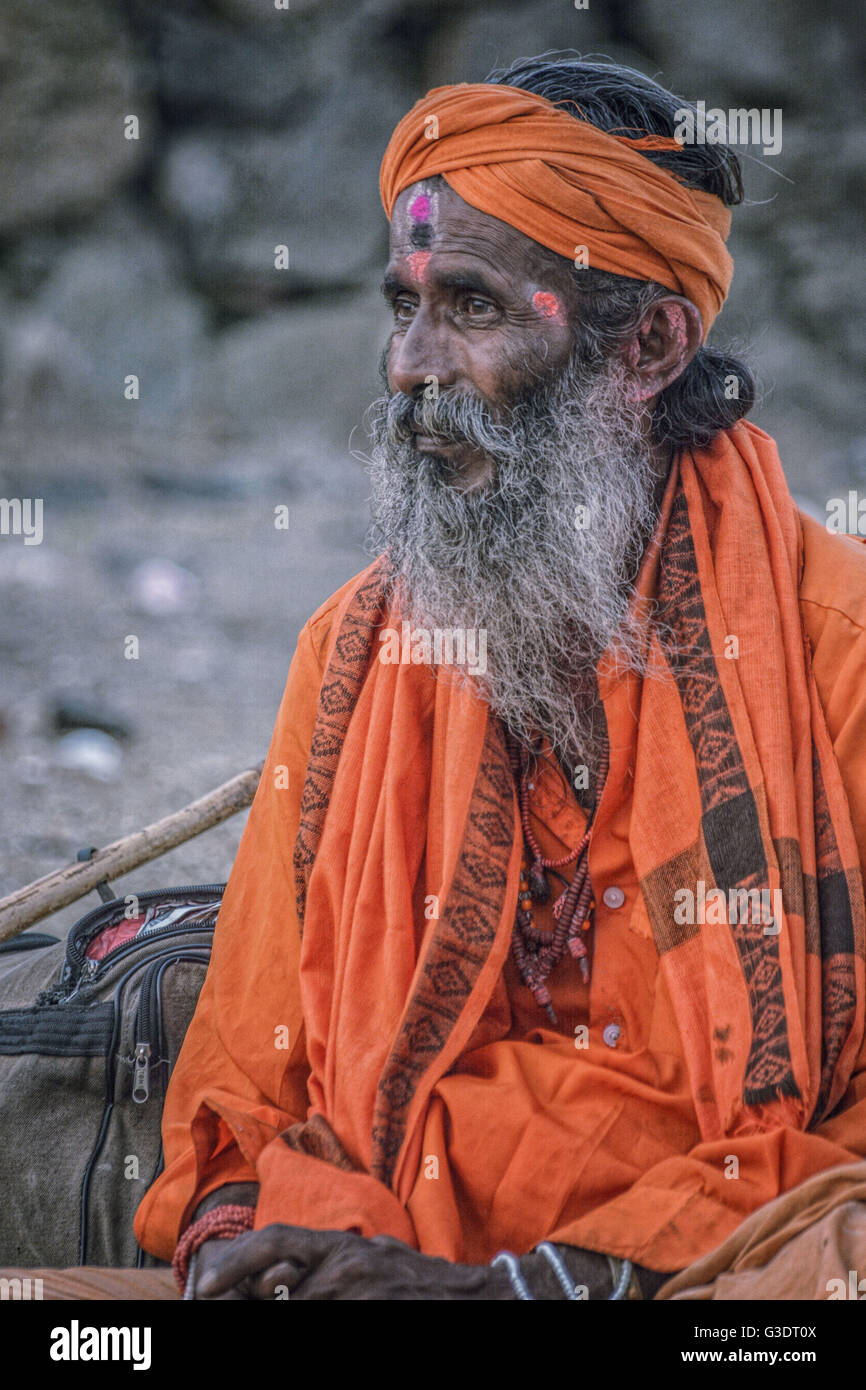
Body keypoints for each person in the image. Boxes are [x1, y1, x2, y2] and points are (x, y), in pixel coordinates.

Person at [126, 57, 866, 1301]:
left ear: (648, 345)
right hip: (374, 1252)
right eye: (400, 305)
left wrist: (532, 1292)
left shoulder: (835, 649)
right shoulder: (353, 655)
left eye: (469, 308)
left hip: (699, 1272)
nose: (410, 367)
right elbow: (247, 1081)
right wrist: (236, 1257)